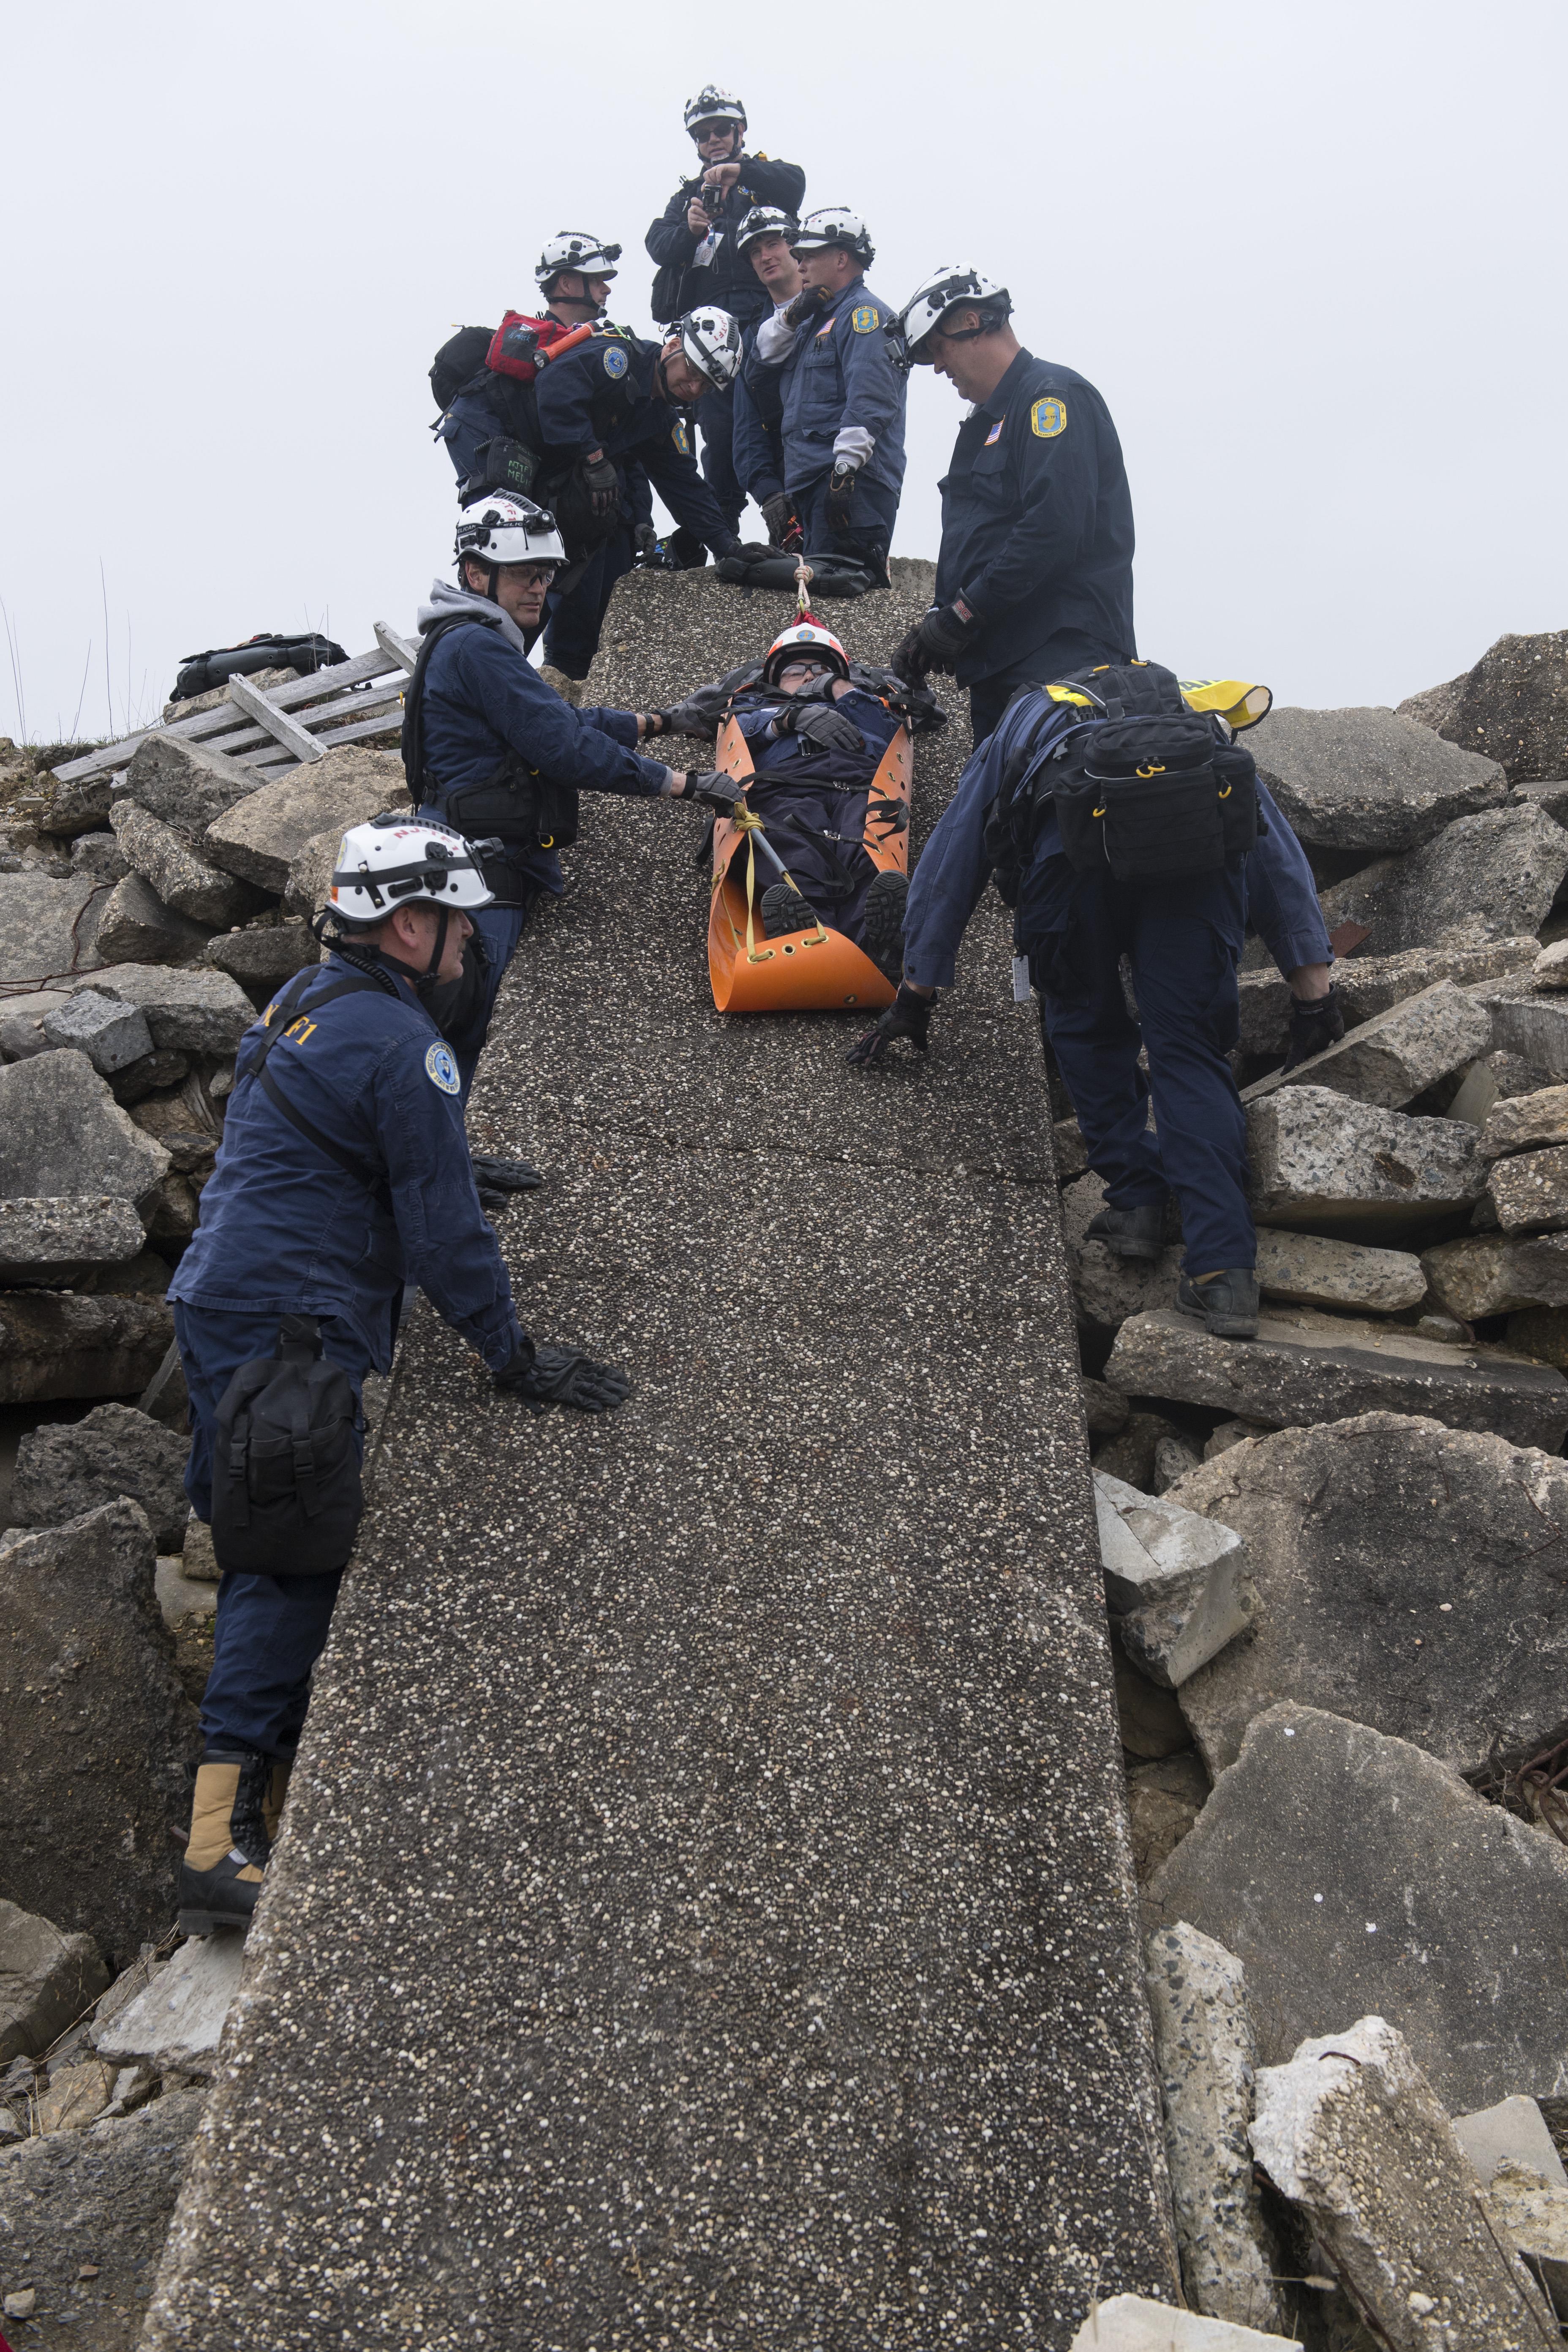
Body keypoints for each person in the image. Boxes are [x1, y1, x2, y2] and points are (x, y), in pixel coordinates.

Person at [168, 818, 634, 1935]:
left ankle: (260, 1779)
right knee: (287, 1561)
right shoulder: (403, 1047)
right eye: (456, 919)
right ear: (406, 924)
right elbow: (444, 1239)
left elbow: (308, 1120)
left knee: (255, 1534)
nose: (470, 939)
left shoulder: (310, 998)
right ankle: (216, 1839)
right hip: (291, 1321)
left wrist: (447, 1149)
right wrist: (513, 1355)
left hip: (221, 1295)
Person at [847, 662, 1343, 1343]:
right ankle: (1221, 1274)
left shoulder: (1028, 715)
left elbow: (955, 857)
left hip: (1067, 867)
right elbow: (1269, 847)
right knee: (1189, 1052)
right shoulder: (1184, 712)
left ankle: (1137, 1199)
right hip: (1194, 869)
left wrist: (916, 990)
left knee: (1084, 1024)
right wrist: (1312, 993)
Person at [406, 493, 739, 1098]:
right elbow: (562, 746)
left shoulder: (469, 643)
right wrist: (684, 785)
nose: (539, 588)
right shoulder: (476, 647)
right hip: (486, 876)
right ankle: (452, 1161)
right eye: (524, 575)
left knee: (462, 1027)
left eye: (545, 575)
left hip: (479, 867)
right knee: (465, 1030)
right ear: (476, 573)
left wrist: (662, 721)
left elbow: (554, 717)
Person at [885, 268, 1136, 746]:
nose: (938, 367)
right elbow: (985, 542)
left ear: (971, 321)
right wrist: (932, 633)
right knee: (1008, 816)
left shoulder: (1049, 397)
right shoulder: (986, 425)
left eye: (939, 349)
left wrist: (961, 615)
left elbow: (1052, 529)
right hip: (1001, 664)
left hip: (1060, 655)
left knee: (1059, 805)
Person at [655, 619, 912, 972]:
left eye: (821, 670)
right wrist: (787, 720)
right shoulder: (752, 707)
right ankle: (811, 934)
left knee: (867, 848)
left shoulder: (861, 704)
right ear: (775, 679)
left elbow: (891, 733)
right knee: (793, 851)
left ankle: (876, 944)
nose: (808, 677)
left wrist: (842, 690)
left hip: (860, 785)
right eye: (795, 670)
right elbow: (736, 735)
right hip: (786, 787)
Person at [531, 308, 749, 678]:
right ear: (674, 346)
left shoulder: (658, 415)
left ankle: (567, 682)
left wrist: (728, 547)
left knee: (590, 592)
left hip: (565, 496)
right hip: (521, 471)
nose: (694, 388)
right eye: (693, 372)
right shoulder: (617, 358)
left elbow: (683, 484)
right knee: (517, 596)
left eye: (706, 386)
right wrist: (593, 455)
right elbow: (553, 390)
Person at [644, 87, 806, 543]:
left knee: (781, 421)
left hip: (768, 320)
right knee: (720, 433)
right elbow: (657, 245)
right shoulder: (687, 198)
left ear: (740, 132)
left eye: (721, 130)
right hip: (709, 334)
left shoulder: (765, 179)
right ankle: (723, 534)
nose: (713, 140)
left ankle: (794, 528)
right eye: (703, 134)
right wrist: (690, 231)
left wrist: (742, 172)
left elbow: (796, 184)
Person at [744, 208, 906, 583]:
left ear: (842, 258)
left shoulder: (864, 314)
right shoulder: (812, 319)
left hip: (849, 485)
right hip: (813, 485)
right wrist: (791, 317)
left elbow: (872, 399)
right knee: (817, 597)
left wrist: (845, 470)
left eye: (810, 256)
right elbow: (756, 367)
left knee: (845, 594)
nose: (800, 266)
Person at [436, 231, 625, 494]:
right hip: (489, 450)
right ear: (567, 284)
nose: (607, 289)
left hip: (536, 465)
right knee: (506, 526)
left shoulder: (589, 347)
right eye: (596, 280)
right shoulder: (533, 349)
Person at [730, 207, 803, 546]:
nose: (764, 257)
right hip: (786, 487)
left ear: (796, 247)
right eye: (755, 252)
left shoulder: (840, 315)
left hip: (844, 477)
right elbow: (747, 429)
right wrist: (769, 493)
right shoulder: (750, 339)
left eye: (772, 244)